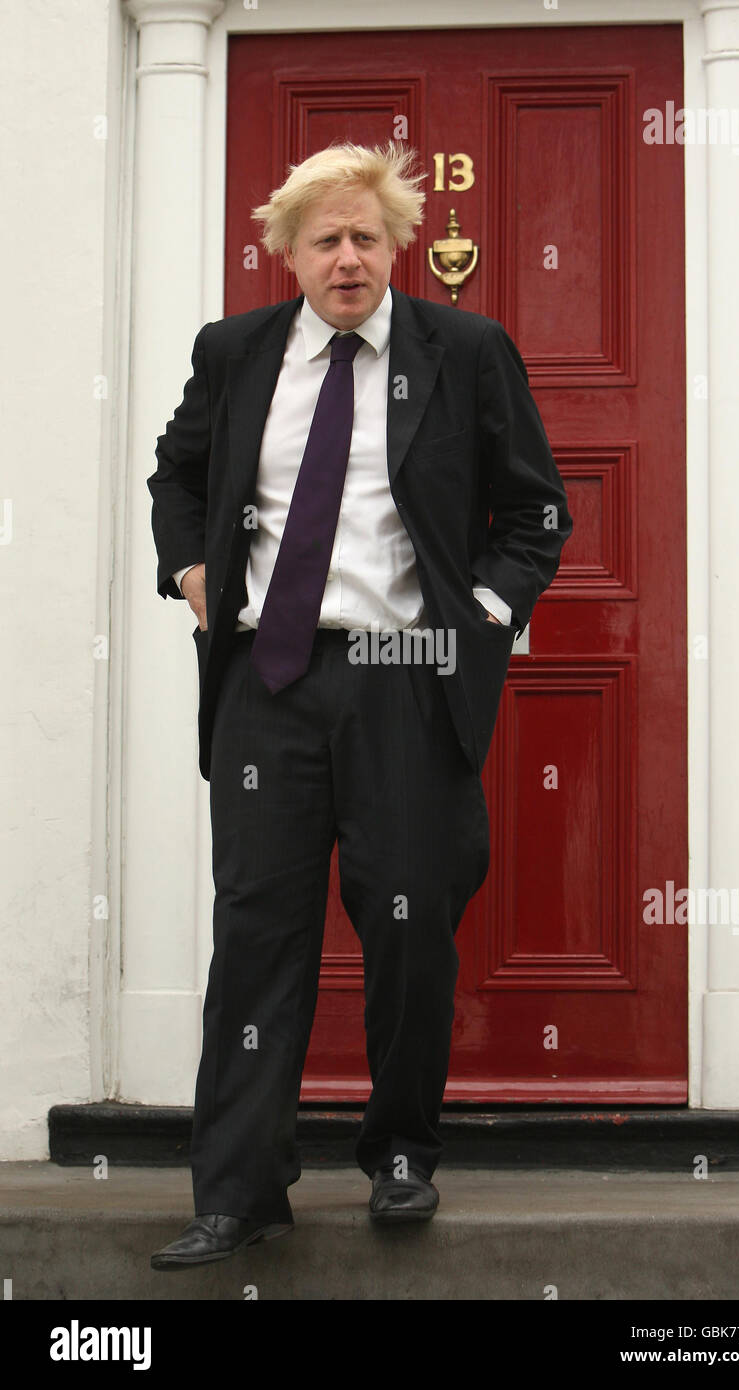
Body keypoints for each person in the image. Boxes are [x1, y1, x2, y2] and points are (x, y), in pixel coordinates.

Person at [147, 141, 572, 1270]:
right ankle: (237, 1189)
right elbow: (176, 474)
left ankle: (399, 1152)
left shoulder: (465, 351)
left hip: (403, 676)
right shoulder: (235, 353)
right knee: (256, 934)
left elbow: (535, 514)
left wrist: (479, 616)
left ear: (396, 251)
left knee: (406, 927)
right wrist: (190, 569)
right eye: (326, 238)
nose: (348, 258)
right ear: (286, 251)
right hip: (264, 679)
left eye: (367, 238)